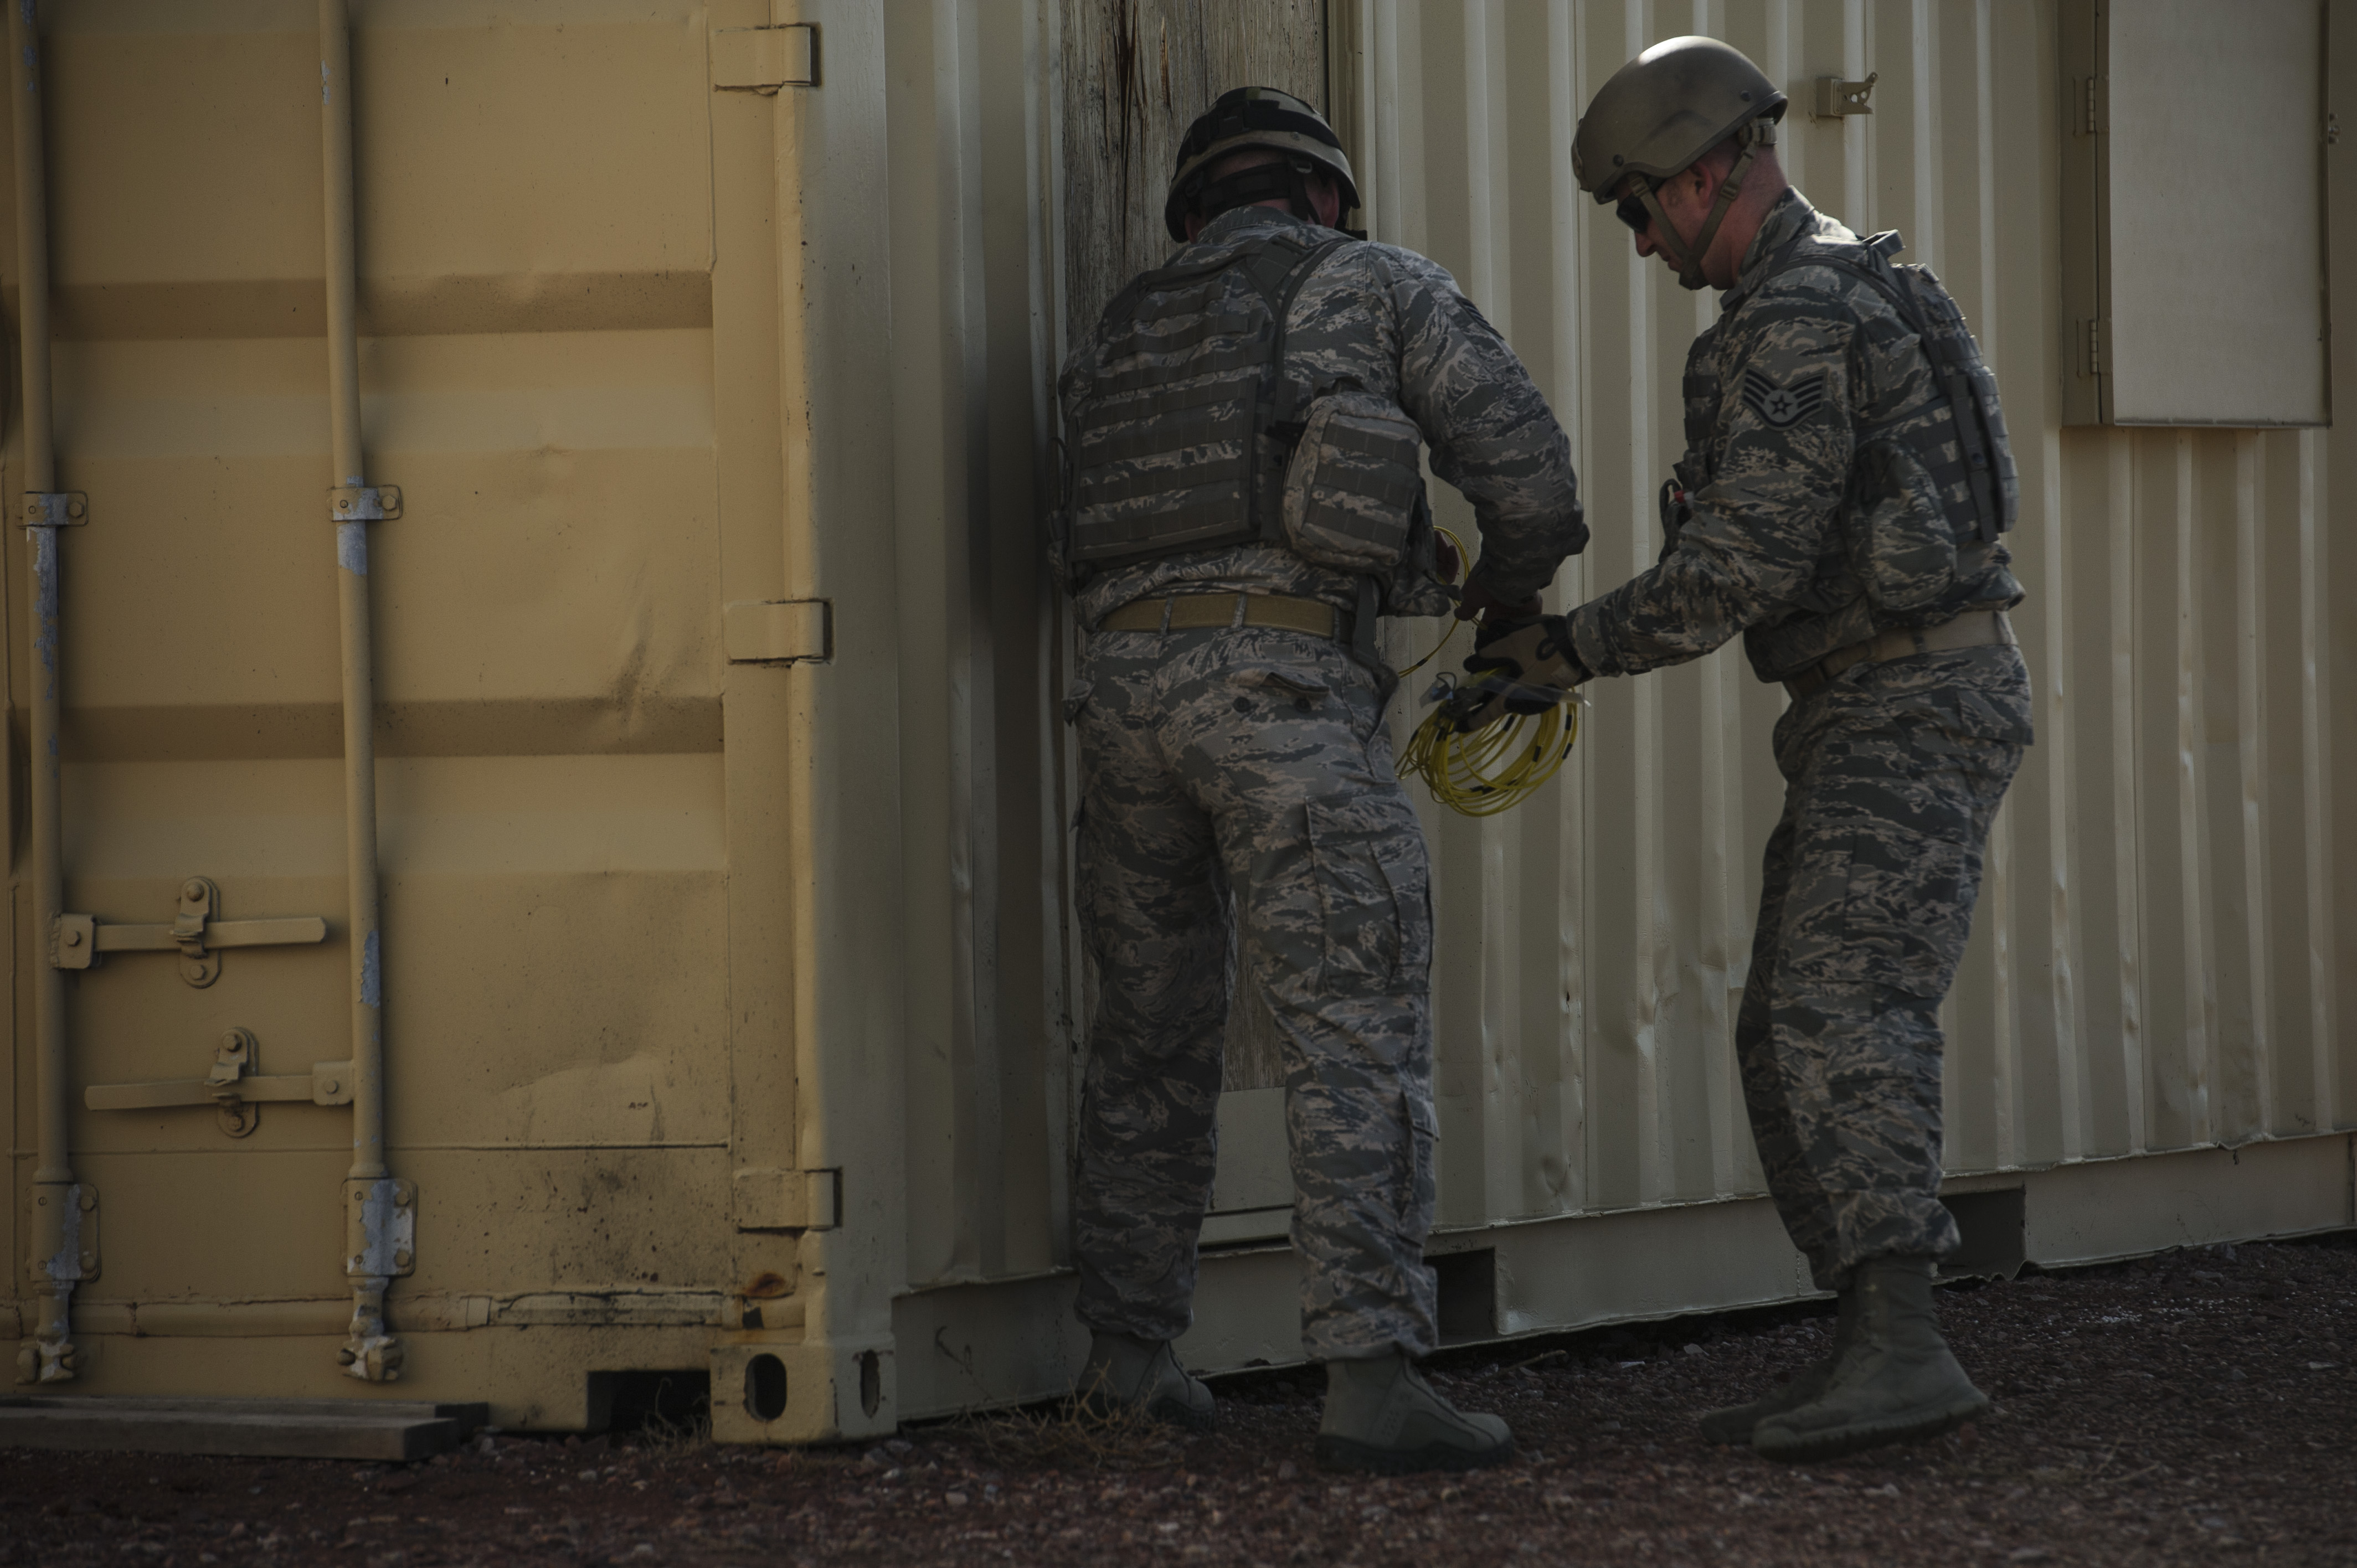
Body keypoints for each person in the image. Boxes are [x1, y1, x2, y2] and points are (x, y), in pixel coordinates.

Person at [1453, 37, 2032, 1462]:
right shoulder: (1835, 284)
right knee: (1786, 1025)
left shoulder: (1797, 308)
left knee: (1839, 1016)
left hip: (1907, 700)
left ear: (1709, 168)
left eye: (1642, 208)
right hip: (1871, 703)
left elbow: (1742, 565)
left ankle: (1905, 1345)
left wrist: (1560, 653)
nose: (1641, 243)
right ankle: (1870, 1340)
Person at [1054, 85, 1586, 1474]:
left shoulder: (1123, 328)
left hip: (1117, 704)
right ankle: (1368, 1378)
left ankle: (1127, 1361)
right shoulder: (1371, 280)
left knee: (1147, 1037)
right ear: (1327, 197)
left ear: (1195, 210)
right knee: (1351, 1032)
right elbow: (1528, 472)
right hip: (1284, 698)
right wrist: (1510, 611)